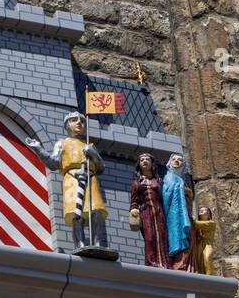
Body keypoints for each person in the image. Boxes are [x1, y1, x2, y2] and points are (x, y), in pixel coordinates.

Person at [28, 111, 109, 251]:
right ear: (67, 125)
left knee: (95, 211)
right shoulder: (62, 143)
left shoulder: (89, 144)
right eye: (74, 120)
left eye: (82, 121)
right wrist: (38, 149)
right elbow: (53, 162)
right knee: (76, 214)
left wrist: (94, 154)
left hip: (90, 178)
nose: (79, 123)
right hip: (72, 179)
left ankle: (97, 244)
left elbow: (101, 168)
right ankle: (80, 244)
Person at [129, 153, 169, 268]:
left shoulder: (159, 181)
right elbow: (134, 200)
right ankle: (151, 263)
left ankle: (164, 262)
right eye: (142, 160)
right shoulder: (137, 183)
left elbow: (164, 198)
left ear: (152, 164)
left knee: (161, 237)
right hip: (145, 212)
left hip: (159, 211)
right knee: (150, 238)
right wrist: (133, 209)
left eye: (147, 159)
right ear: (139, 164)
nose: (144, 161)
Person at [162, 154, 194, 271]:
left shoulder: (182, 180)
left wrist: (188, 194)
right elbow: (166, 193)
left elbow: (189, 197)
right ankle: (178, 263)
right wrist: (182, 189)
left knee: (190, 239)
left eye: (180, 160)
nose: (177, 161)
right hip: (174, 214)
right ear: (169, 163)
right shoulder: (168, 177)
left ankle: (184, 264)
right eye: (174, 159)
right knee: (179, 238)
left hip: (184, 213)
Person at [193, 205, 217, 275]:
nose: (201, 210)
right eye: (200, 210)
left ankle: (209, 276)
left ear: (209, 215)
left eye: (204, 210)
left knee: (207, 257)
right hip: (199, 243)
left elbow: (198, 224)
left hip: (207, 243)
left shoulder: (211, 223)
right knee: (198, 262)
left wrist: (192, 219)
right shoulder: (198, 225)